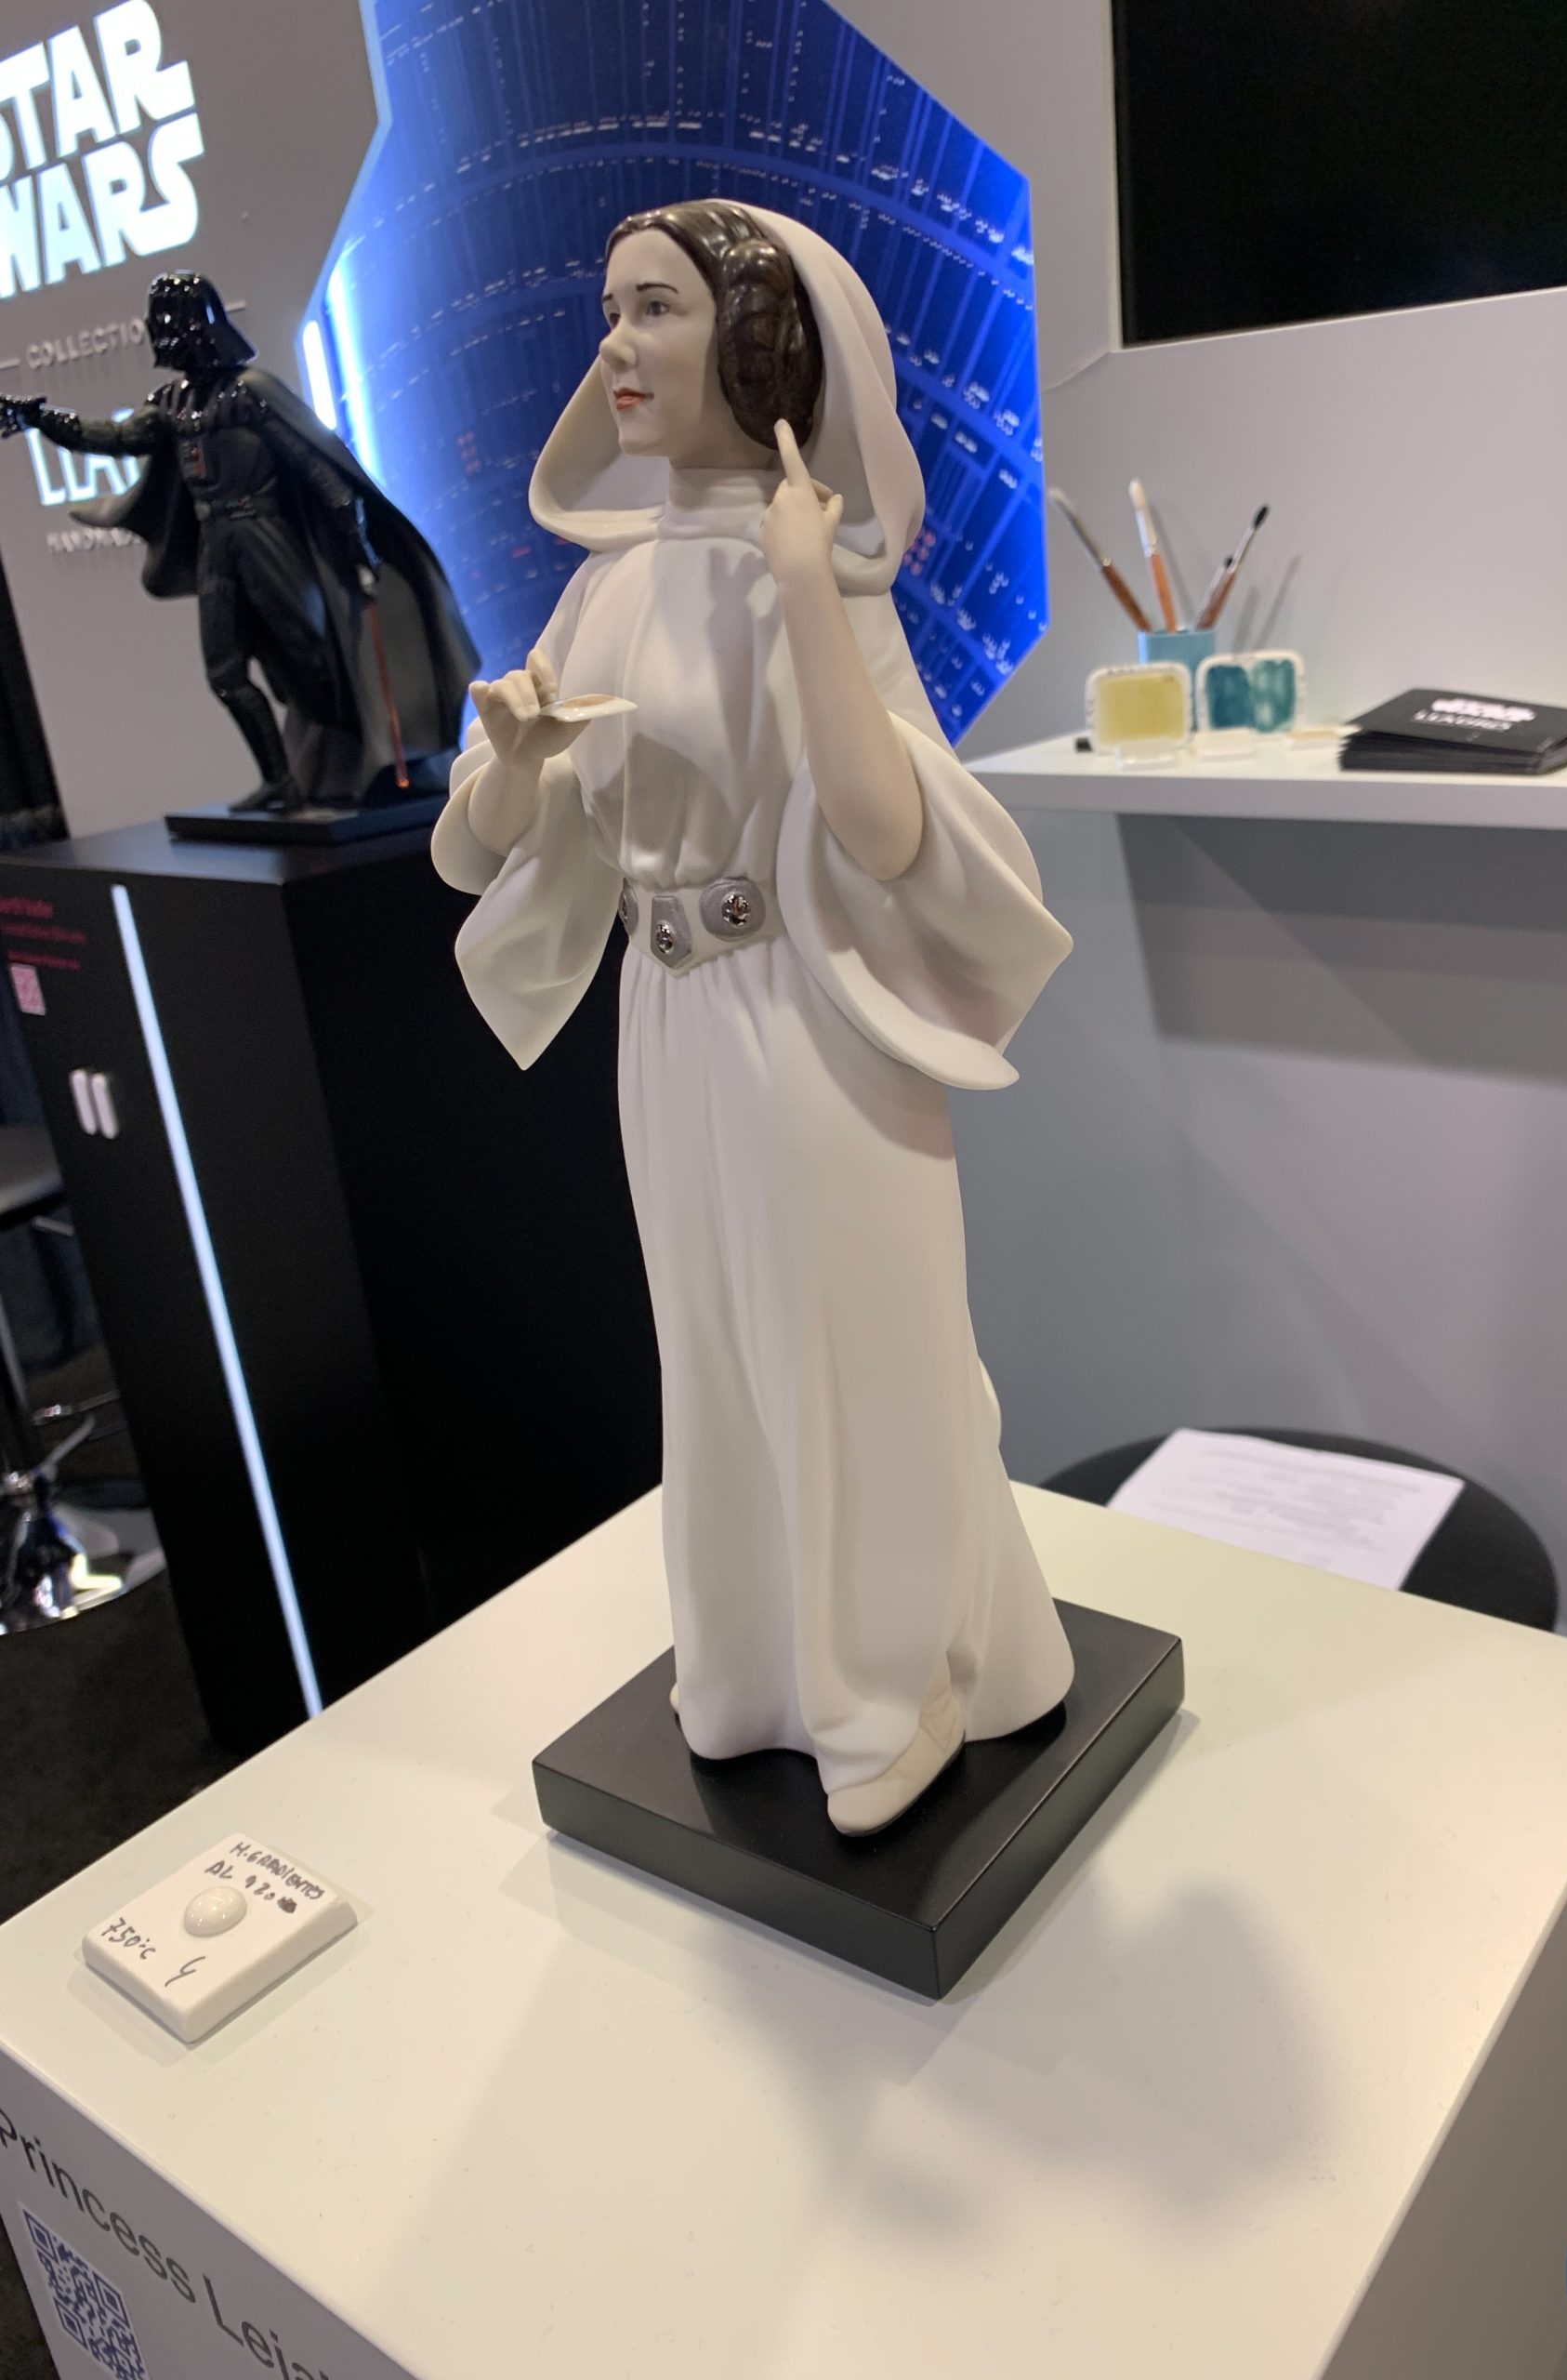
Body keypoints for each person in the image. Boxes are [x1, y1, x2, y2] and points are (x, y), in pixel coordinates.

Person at [432, 201, 1073, 1834]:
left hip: (808, 1019)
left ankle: (892, 1686)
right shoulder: (606, 586)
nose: (616, 344)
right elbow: (476, 849)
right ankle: (753, 1667)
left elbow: (888, 828)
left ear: (758, 340)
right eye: (610, 308)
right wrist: (513, 764)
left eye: (656, 307)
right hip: (666, 1023)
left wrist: (804, 590)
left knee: (847, 1346)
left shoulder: (815, 561)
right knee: (715, 1347)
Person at [0, 271, 475, 812]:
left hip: (267, 538)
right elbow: (115, 438)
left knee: (316, 663)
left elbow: (320, 470)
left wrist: (358, 548)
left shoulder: (252, 393)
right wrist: (39, 418)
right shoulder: (172, 402)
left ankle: (366, 759)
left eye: (173, 325)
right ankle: (280, 780)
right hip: (217, 544)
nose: (167, 338)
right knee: (225, 673)